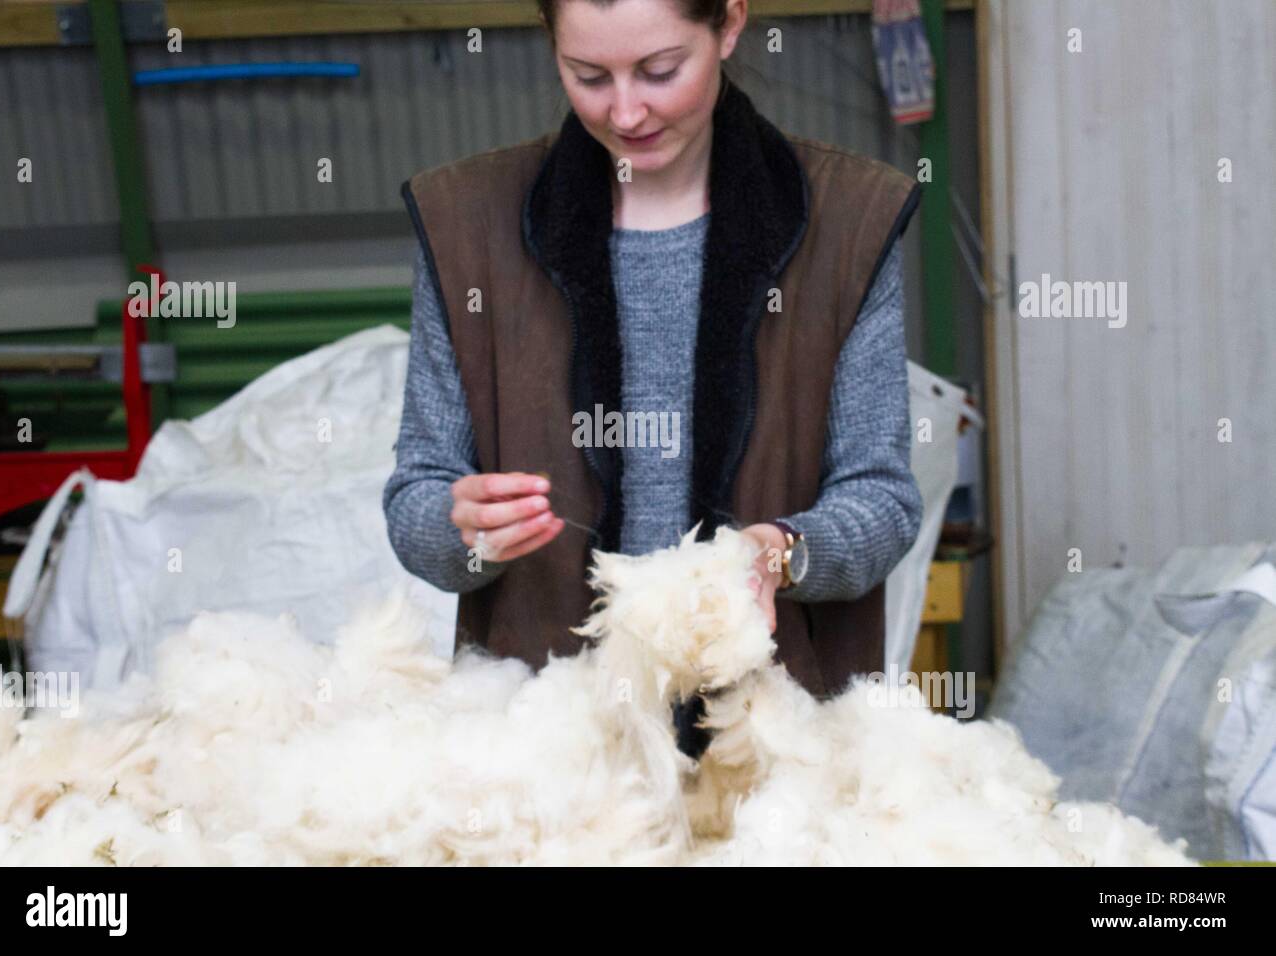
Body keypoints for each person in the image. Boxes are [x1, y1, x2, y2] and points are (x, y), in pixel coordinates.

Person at [384, 0, 923, 757]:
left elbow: (883, 499)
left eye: (661, 71)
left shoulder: (848, 221)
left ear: (730, 23)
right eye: (589, 75)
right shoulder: (468, 224)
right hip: (547, 759)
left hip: (774, 761)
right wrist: (458, 527)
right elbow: (418, 498)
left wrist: (780, 551)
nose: (628, 110)